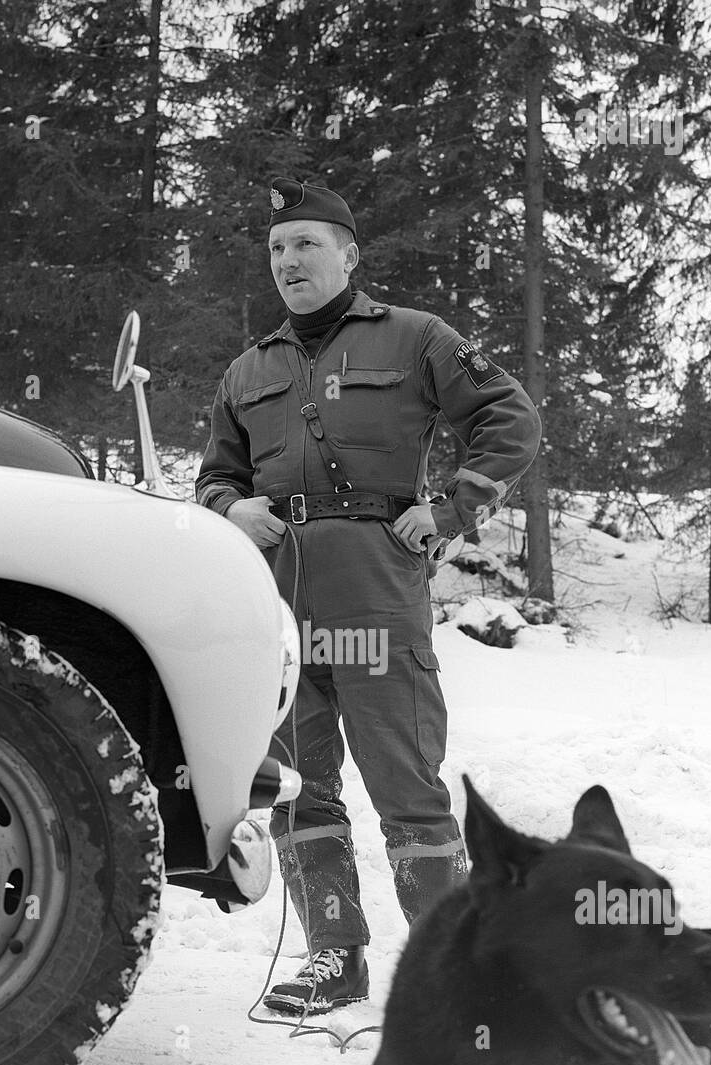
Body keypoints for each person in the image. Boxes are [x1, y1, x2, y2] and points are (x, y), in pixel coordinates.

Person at [196, 176, 541, 1013]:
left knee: (405, 786)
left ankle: (450, 975)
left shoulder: (415, 338)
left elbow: (511, 418)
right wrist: (232, 508)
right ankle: (334, 960)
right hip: (280, 604)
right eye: (277, 249)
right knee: (299, 787)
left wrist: (453, 507)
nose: (289, 261)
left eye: (306, 244)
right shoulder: (248, 371)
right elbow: (214, 476)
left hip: (377, 590)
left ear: (348, 256)